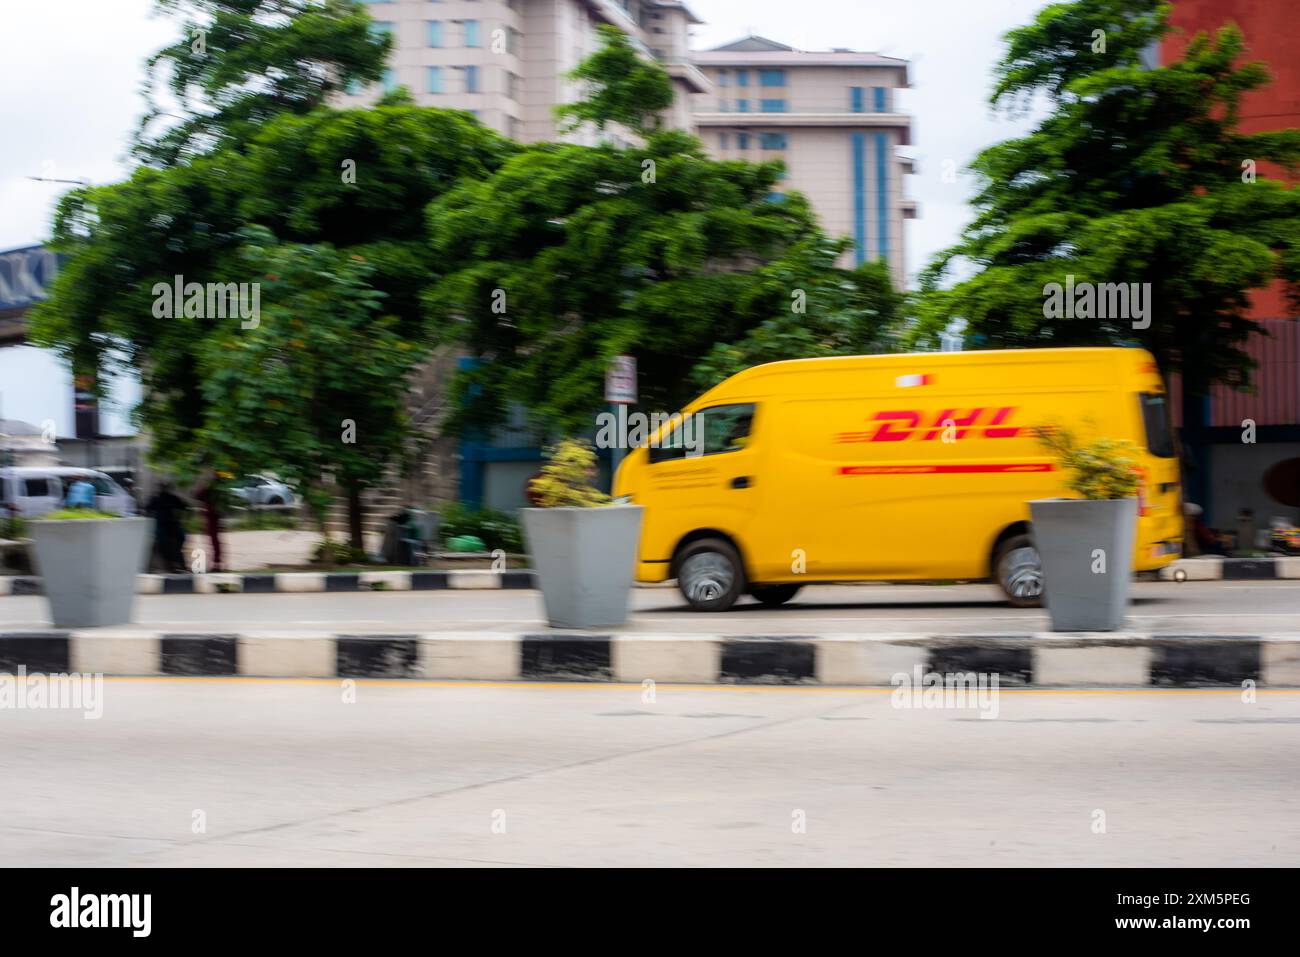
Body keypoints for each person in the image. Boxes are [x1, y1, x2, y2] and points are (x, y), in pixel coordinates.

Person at [145, 482, 188, 573]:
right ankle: (171, 565)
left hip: (171, 525)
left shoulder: (170, 498)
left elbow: (184, 507)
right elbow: (147, 509)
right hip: (162, 526)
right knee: (162, 544)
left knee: (179, 539)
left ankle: (177, 564)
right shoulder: (157, 499)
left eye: (165, 488)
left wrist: (181, 519)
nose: (163, 490)